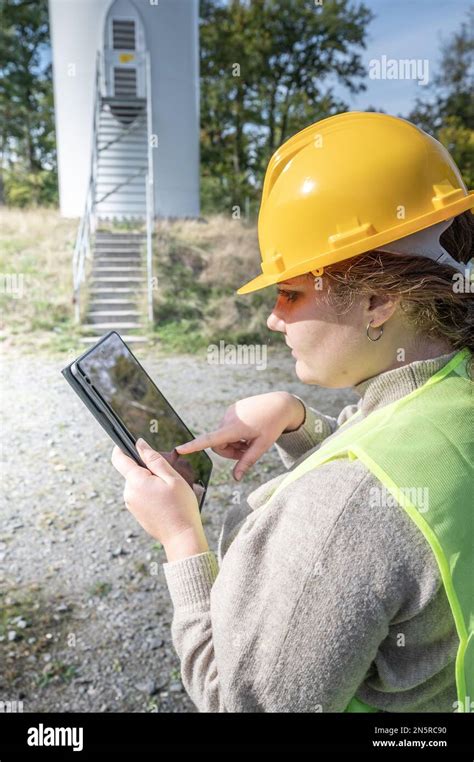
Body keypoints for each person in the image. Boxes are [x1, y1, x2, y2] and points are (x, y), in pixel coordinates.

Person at [111, 112, 474, 713]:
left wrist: (181, 538)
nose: (274, 319)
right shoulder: (455, 386)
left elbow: (240, 704)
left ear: (378, 300)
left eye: (289, 293)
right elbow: (413, 485)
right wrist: (301, 423)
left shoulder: (343, 511)